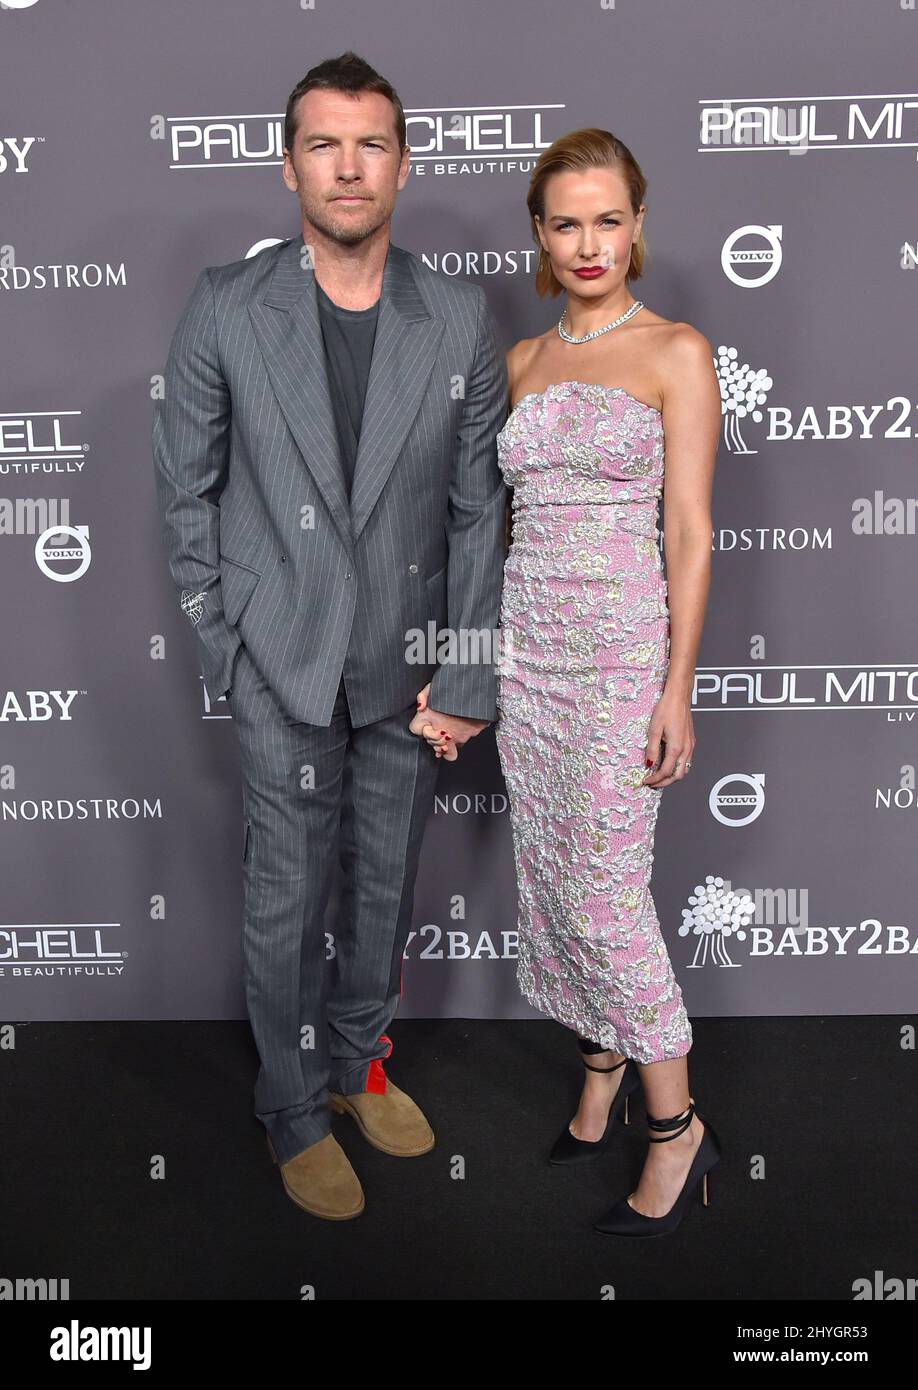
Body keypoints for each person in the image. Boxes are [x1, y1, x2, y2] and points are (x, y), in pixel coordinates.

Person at [152, 51, 507, 1220]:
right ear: (289, 163)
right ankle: (292, 1106)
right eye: (323, 143)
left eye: (369, 144)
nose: (348, 167)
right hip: (280, 661)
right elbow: (186, 493)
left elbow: (474, 510)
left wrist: (464, 671)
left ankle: (359, 1062)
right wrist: (228, 642)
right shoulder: (224, 304)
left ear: (403, 164)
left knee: (383, 885)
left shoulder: (456, 314)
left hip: (409, 673)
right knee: (280, 897)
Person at [427, 127, 721, 1236]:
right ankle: (597, 1064)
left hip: (618, 661)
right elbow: (488, 537)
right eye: (566, 222)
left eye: (608, 219)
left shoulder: (675, 352)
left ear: (637, 225)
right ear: (539, 237)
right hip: (531, 658)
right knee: (550, 879)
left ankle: (675, 1125)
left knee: (606, 896)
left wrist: (677, 687)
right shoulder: (522, 363)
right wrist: (466, 678)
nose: (589, 242)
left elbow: (689, 533)